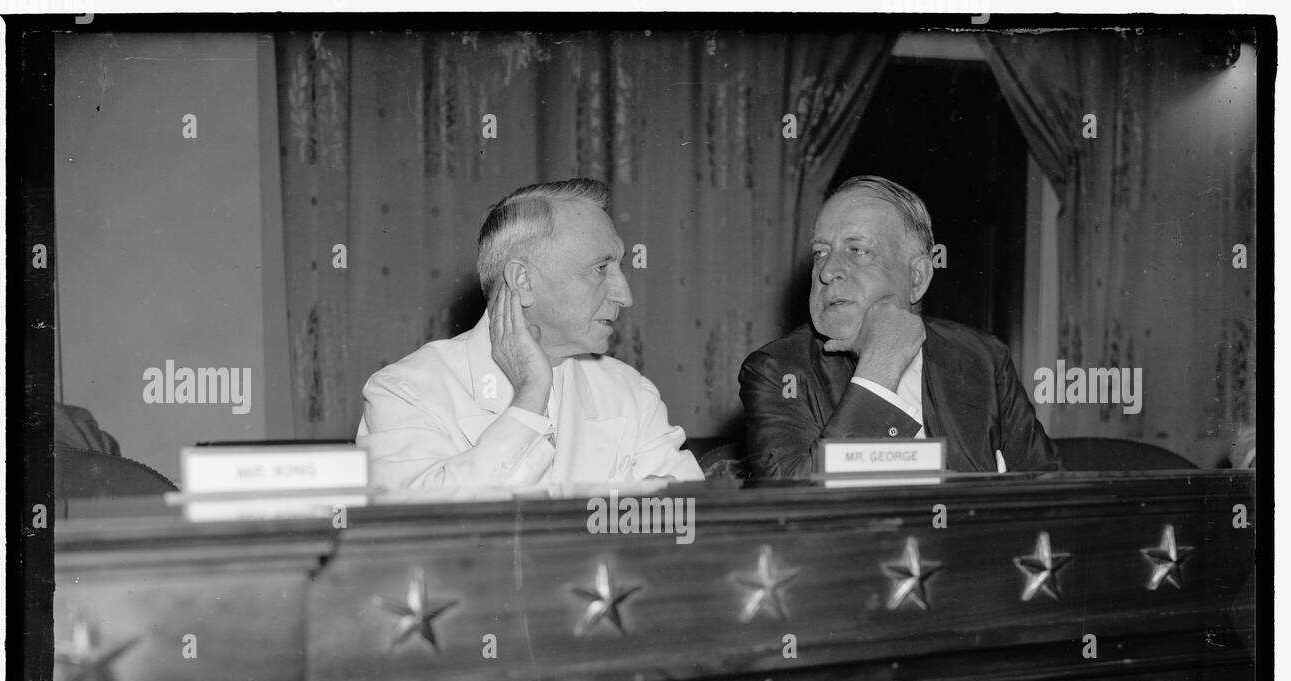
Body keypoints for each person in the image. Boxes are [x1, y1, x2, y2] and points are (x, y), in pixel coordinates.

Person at [357, 178, 702, 490]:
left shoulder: (631, 393)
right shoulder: (404, 392)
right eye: (600, 269)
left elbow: (690, 519)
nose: (624, 295)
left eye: (619, 266)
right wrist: (531, 395)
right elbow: (427, 531)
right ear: (523, 281)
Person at [738, 176, 1062, 477]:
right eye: (820, 252)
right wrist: (877, 373)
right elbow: (795, 509)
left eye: (857, 250)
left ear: (917, 277)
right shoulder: (777, 370)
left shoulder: (983, 358)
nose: (827, 271)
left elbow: (1052, 493)